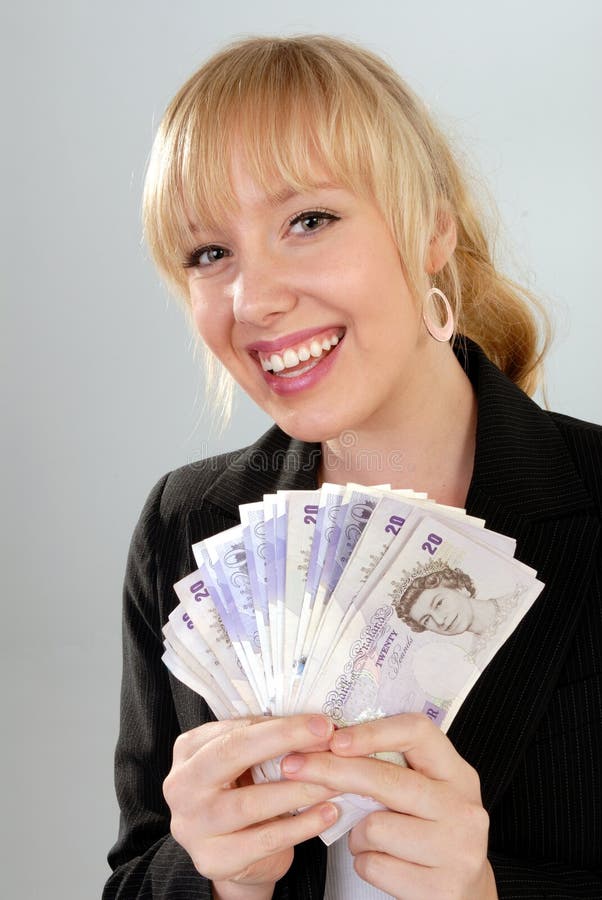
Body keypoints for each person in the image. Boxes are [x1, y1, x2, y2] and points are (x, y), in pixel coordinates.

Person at [104, 35, 602, 900]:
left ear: (432, 228)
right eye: (208, 253)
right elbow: (134, 876)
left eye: (308, 221)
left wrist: (487, 892)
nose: (252, 300)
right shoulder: (185, 524)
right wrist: (214, 879)